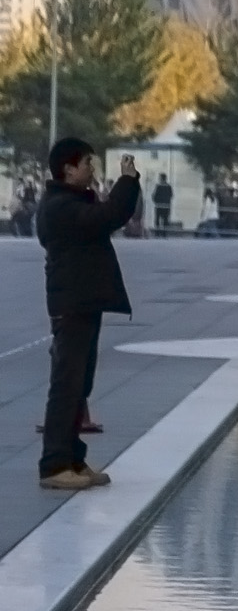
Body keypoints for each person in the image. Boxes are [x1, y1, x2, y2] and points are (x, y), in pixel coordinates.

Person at [35, 138, 140, 490]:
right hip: (72, 305)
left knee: (80, 384)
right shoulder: (59, 206)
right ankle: (54, 465)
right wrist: (127, 181)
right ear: (68, 168)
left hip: (83, 302)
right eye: (87, 165)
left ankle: (73, 459)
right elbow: (108, 216)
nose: (92, 171)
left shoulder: (68, 201)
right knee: (66, 386)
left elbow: (101, 215)